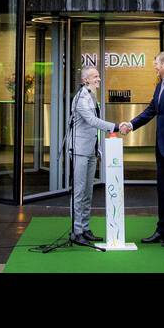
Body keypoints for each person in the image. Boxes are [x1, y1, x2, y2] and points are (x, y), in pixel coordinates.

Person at [119, 50, 164, 247]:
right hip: (162, 148)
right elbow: (151, 110)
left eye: (157, 64)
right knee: (163, 191)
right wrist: (131, 124)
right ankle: (162, 230)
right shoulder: (161, 85)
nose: (155, 67)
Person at [68, 66, 118, 247]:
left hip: (90, 150)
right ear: (85, 80)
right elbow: (92, 121)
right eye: (95, 76)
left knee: (88, 191)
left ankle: (85, 228)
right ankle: (77, 231)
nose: (98, 79)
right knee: (79, 191)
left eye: (98, 76)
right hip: (80, 150)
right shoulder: (81, 97)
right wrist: (116, 126)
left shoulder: (91, 95)